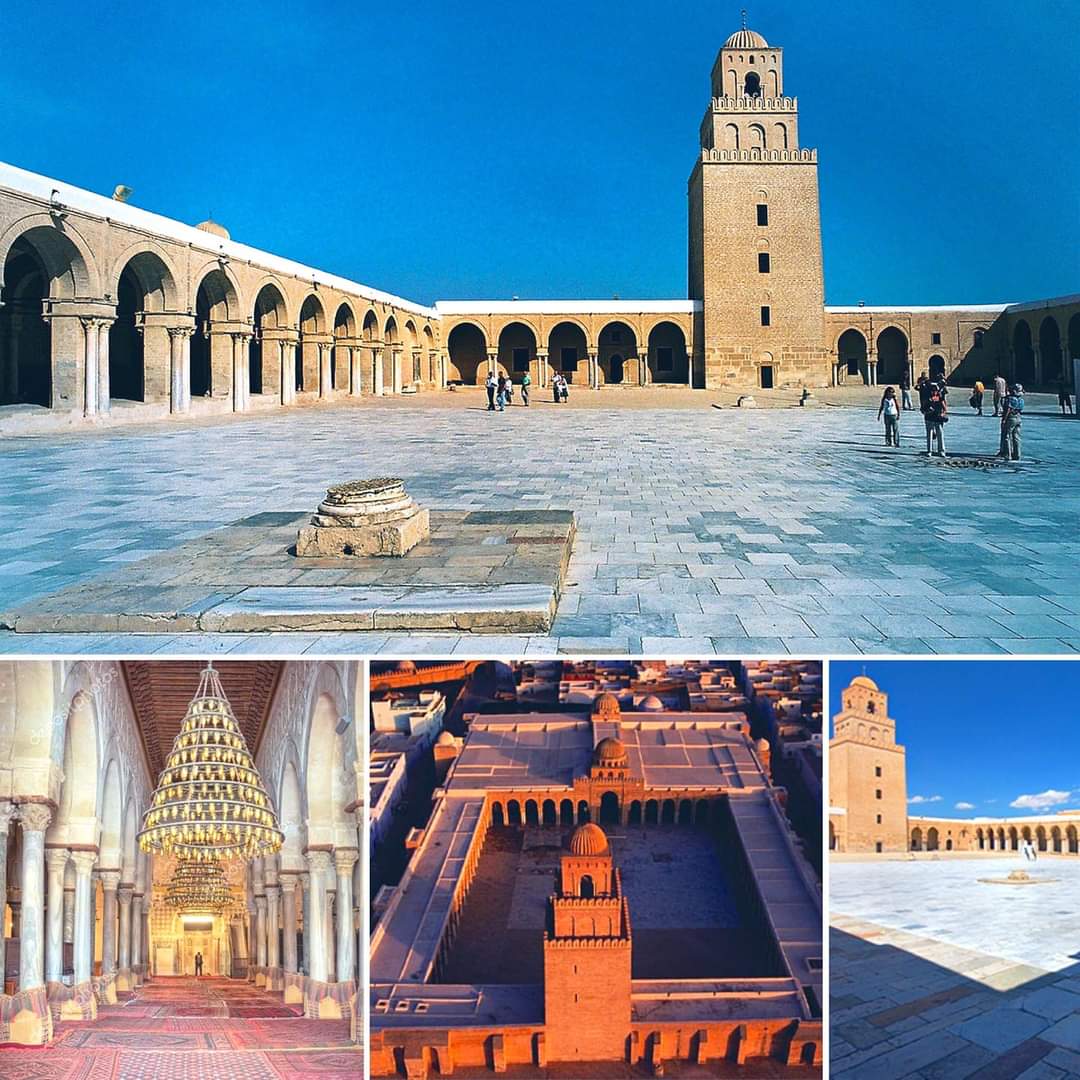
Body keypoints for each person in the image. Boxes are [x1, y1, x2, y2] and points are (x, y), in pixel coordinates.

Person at [920, 372, 948, 457]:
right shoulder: (927, 398)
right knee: (930, 434)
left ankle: (941, 450)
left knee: (940, 433)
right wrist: (927, 411)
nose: (934, 392)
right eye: (933, 391)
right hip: (929, 417)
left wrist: (943, 413)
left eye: (935, 391)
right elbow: (923, 408)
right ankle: (929, 450)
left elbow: (944, 407)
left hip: (938, 417)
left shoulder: (940, 397)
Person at [998, 382, 1024, 460]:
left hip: (1011, 418)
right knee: (1016, 437)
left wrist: (1004, 419)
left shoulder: (1010, 399)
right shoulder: (1021, 400)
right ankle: (1017, 454)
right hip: (1018, 417)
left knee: (1007, 436)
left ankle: (1007, 454)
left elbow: (1008, 410)